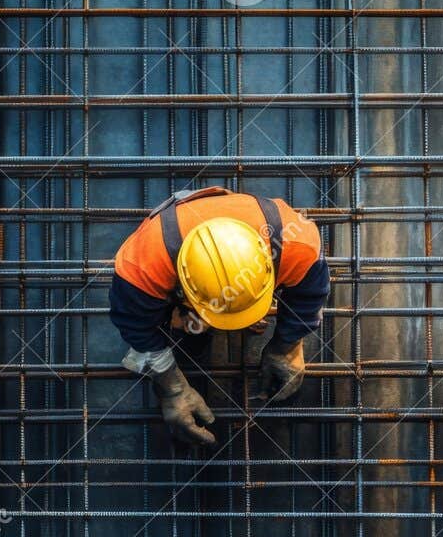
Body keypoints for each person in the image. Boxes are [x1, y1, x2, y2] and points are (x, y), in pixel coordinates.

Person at [110, 188, 330, 446]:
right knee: (187, 334)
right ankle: (186, 324)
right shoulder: (142, 267)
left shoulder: (297, 243)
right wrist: (172, 388)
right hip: (170, 267)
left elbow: (309, 297)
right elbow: (137, 329)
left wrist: (287, 347)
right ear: (182, 285)